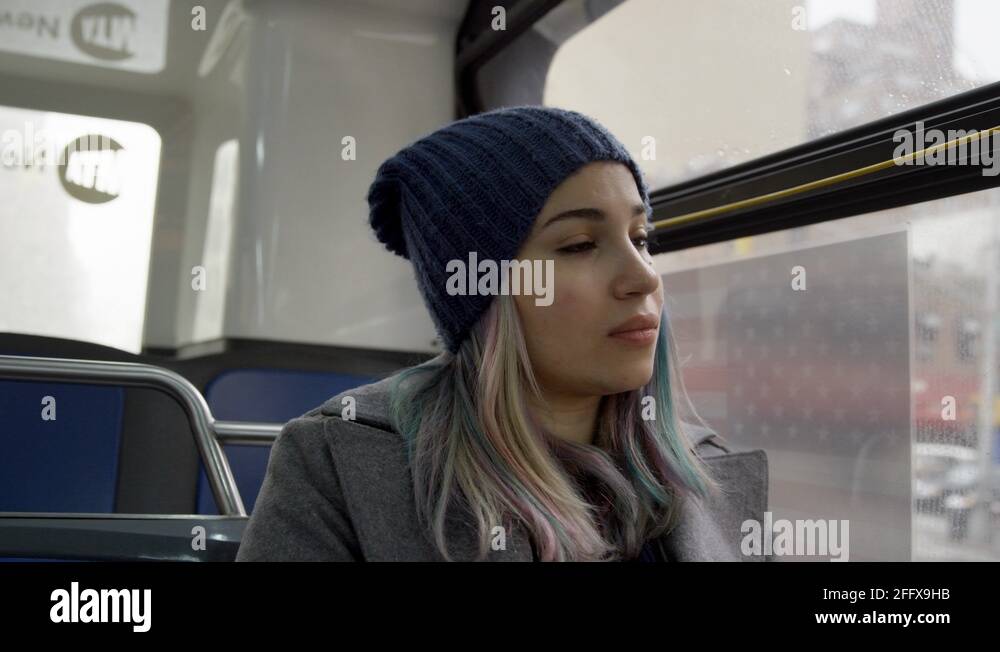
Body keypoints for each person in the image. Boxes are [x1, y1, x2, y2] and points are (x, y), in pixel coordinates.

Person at [236, 105, 768, 562]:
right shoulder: (341, 464)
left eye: (641, 237)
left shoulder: (705, 467)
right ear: (485, 291)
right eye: (580, 245)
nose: (645, 277)